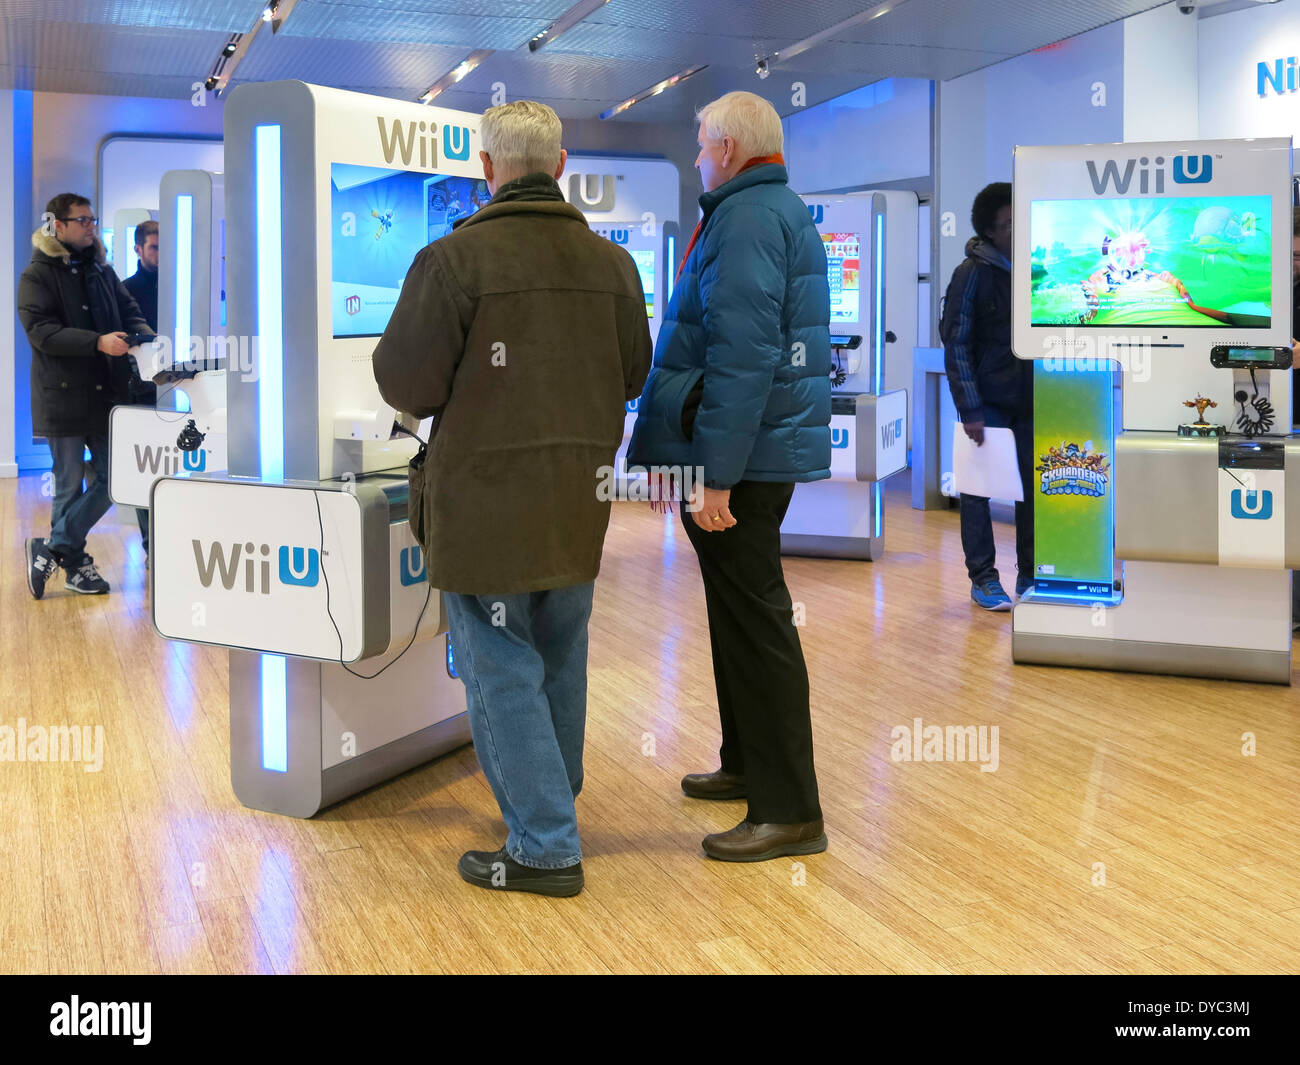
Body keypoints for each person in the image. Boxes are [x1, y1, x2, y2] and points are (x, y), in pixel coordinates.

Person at [373, 100, 652, 898]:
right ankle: (552, 803)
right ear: (560, 166)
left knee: (498, 667)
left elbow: (407, 385)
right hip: (579, 499)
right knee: (560, 653)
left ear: (487, 168)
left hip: (484, 505)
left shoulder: (452, 261)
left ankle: (544, 844)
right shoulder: (613, 266)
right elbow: (633, 374)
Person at [627, 91, 831, 863]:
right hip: (749, 453)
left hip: (741, 462)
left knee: (756, 620)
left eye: (701, 144)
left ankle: (790, 809)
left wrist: (713, 474)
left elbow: (741, 359)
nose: (696, 157)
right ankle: (748, 763)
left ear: (729, 148)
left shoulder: (746, 218)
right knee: (739, 616)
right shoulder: (764, 210)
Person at [19, 193, 152, 599]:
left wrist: (145, 337)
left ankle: (52, 547)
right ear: (57, 225)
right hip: (61, 397)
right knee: (68, 485)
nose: (90, 226)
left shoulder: (102, 271)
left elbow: (129, 311)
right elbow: (41, 333)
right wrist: (97, 342)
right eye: (82, 220)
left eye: (92, 219)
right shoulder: (36, 275)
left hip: (105, 395)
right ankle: (76, 567)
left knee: (114, 479)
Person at [939, 181, 1034, 611]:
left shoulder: (1033, 270)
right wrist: (970, 410)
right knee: (977, 491)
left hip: (1030, 402)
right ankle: (983, 579)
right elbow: (956, 345)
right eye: (1009, 223)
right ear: (991, 231)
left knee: (1032, 489)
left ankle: (1030, 574)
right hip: (986, 404)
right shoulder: (971, 274)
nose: (1017, 229)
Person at [122, 219, 160, 560]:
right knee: (145, 468)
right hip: (141, 390)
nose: (160, 254)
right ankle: (151, 544)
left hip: (178, 387)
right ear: (138, 249)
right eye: (154, 247)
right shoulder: (126, 290)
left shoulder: (183, 282)